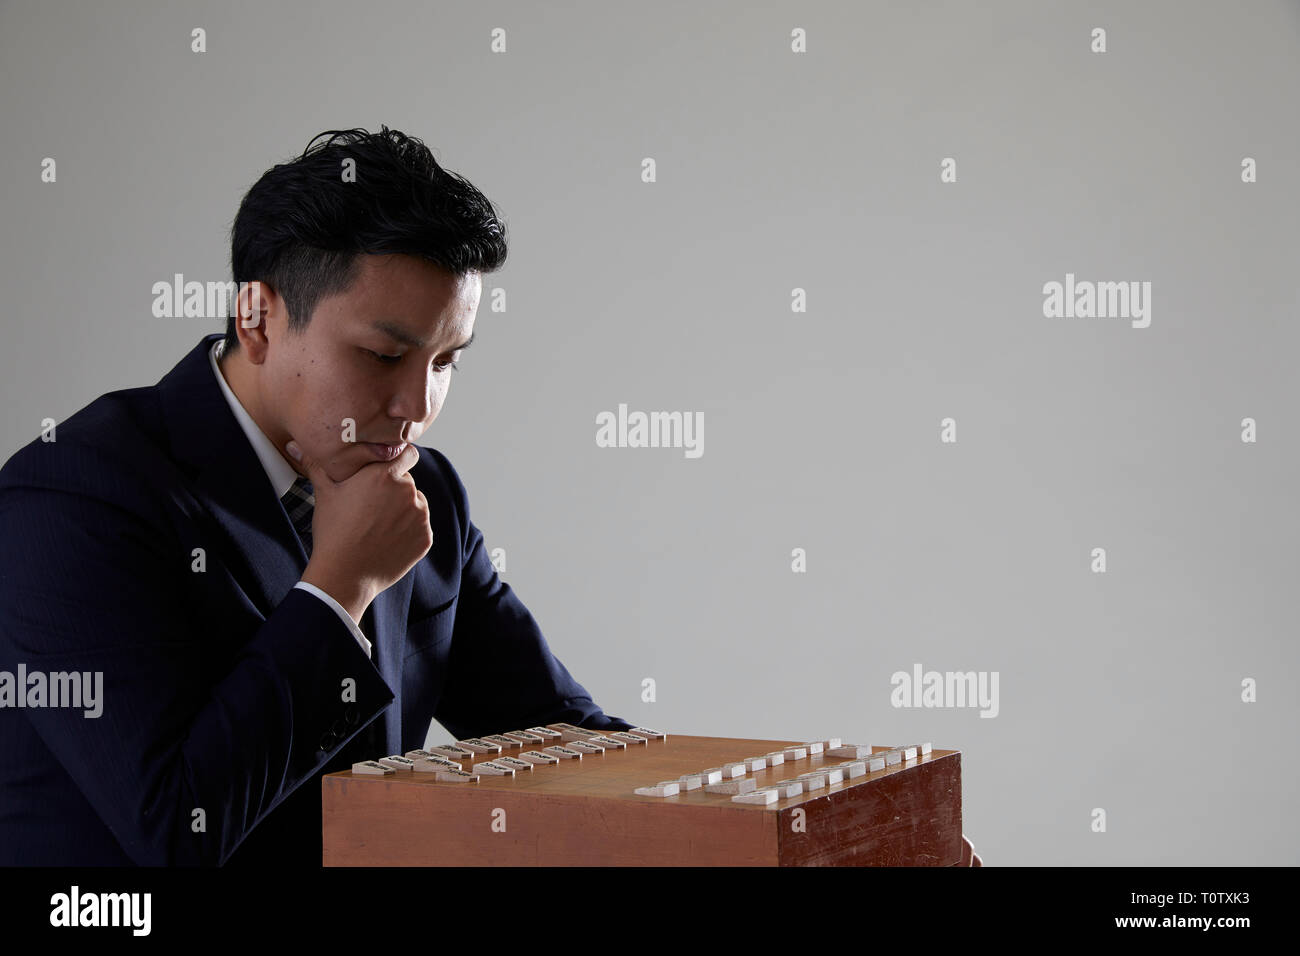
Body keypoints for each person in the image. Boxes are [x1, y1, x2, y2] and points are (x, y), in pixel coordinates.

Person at [0, 127, 631, 866]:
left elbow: (560, 734)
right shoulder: (74, 497)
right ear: (257, 318)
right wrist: (339, 590)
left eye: (447, 361)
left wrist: (738, 806)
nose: (416, 407)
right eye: (384, 355)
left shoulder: (428, 493)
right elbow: (177, 824)